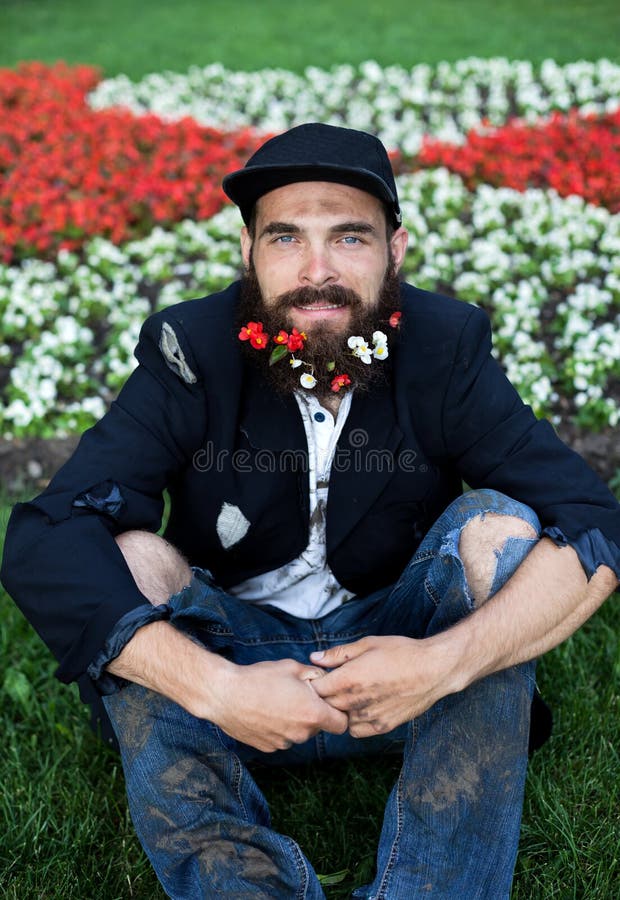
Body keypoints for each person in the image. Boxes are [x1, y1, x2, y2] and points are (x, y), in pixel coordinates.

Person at [2, 123, 619, 899]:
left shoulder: (445, 345)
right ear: (249, 251)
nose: (316, 270)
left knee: (499, 529)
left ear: (396, 250)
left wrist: (442, 663)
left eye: (349, 237)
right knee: (130, 557)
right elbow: (47, 536)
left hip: (399, 669)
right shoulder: (189, 348)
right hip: (228, 675)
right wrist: (217, 689)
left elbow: (595, 520)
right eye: (286, 236)